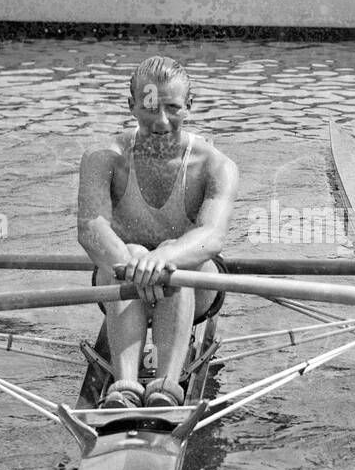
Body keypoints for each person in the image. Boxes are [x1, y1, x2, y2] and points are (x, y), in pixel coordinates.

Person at [77, 56, 238, 408]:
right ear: (131, 104)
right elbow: (91, 229)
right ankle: (126, 388)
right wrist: (134, 262)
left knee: (172, 259)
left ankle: (166, 386)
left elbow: (211, 237)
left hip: (196, 285)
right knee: (126, 251)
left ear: (190, 107)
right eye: (150, 107)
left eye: (173, 108)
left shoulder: (216, 165)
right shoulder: (103, 158)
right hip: (121, 276)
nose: (161, 121)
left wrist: (162, 258)